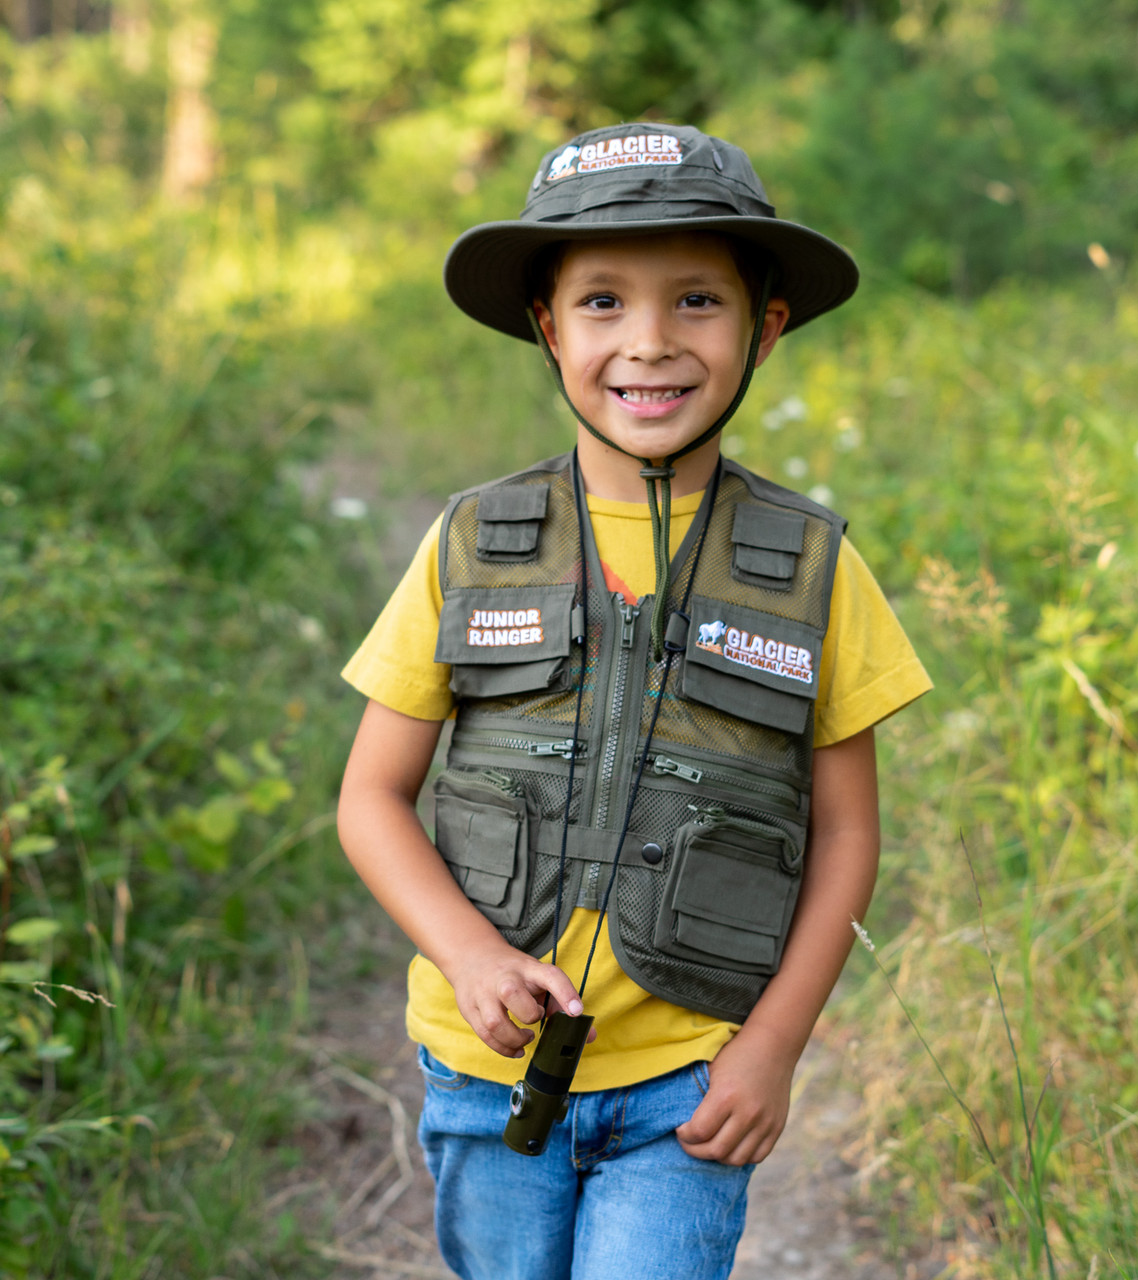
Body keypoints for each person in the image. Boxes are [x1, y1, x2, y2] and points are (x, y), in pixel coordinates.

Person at [336, 122, 931, 1280]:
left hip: (689, 1085)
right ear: (548, 328)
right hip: (484, 1072)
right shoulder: (472, 543)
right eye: (602, 302)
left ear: (765, 325)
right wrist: (466, 954)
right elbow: (368, 795)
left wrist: (772, 1050)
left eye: (696, 301)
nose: (648, 343)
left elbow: (849, 832)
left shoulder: (809, 564)